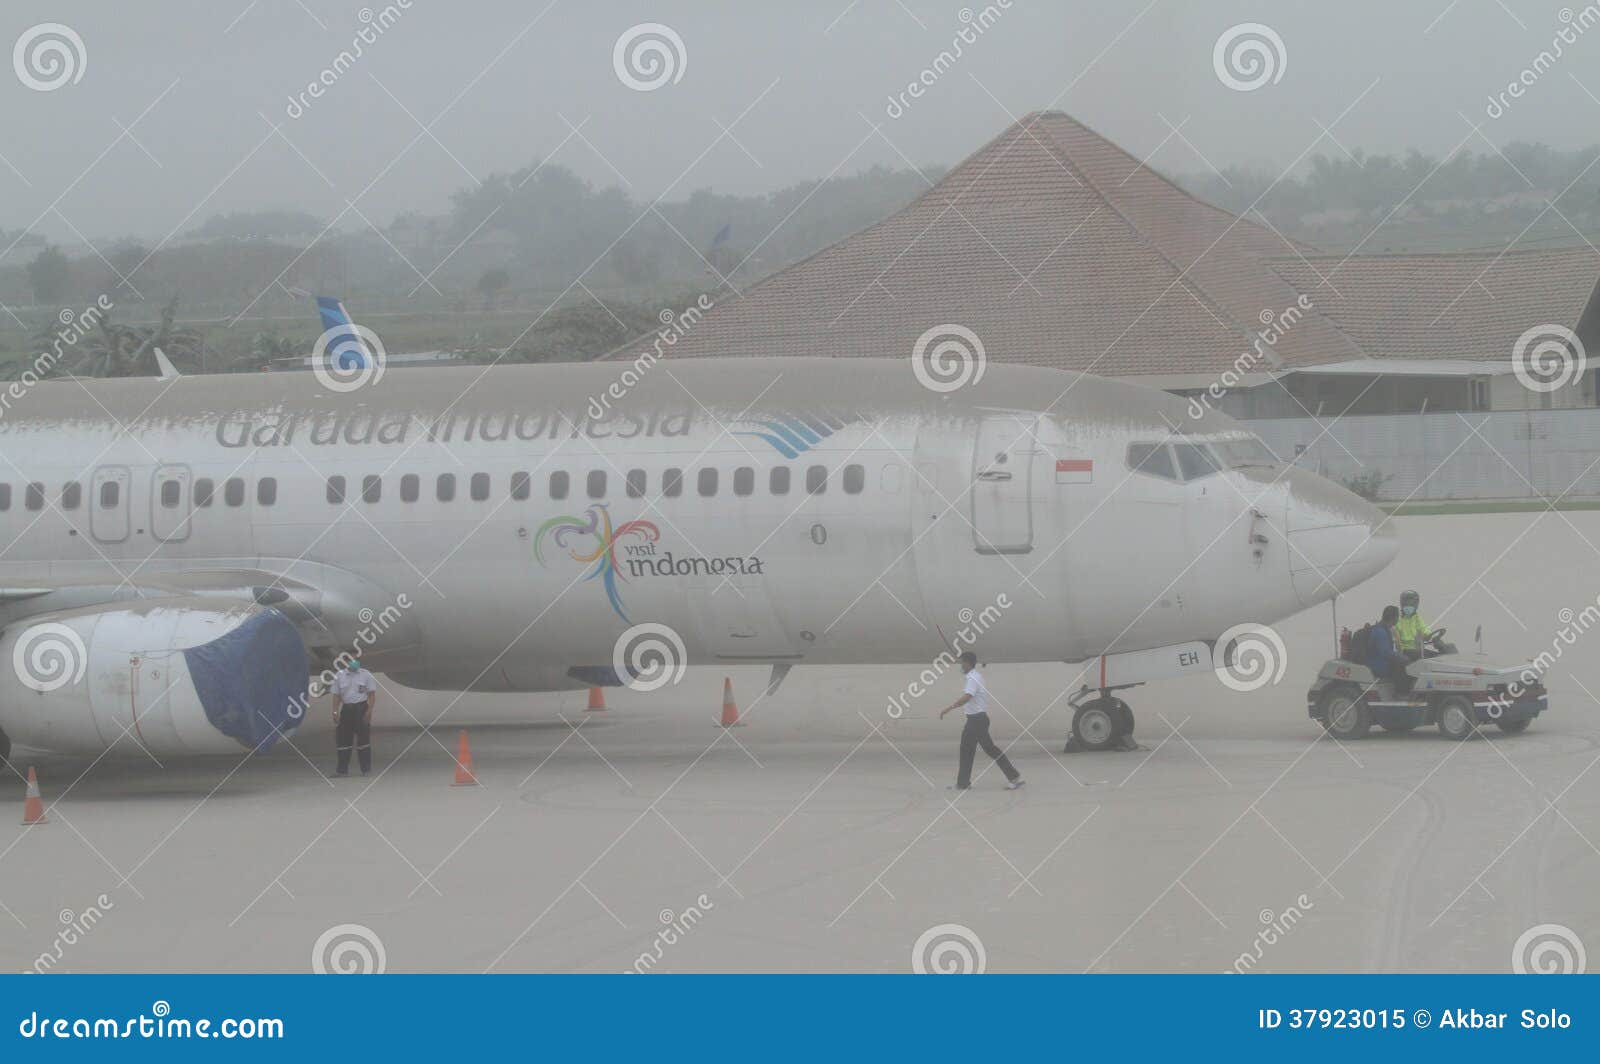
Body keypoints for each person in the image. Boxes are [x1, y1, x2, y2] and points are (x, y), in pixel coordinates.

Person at [939, 652, 1024, 791]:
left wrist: (949, 708)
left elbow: (967, 696)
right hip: (974, 720)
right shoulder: (974, 676)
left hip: (977, 720)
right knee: (967, 749)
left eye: (961, 663)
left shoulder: (973, 678)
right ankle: (963, 783)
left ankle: (1014, 777)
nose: (960, 666)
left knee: (990, 749)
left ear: (967, 663)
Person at [331, 658, 377, 776]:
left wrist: (369, 711)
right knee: (343, 741)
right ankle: (342, 771)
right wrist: (335, 711)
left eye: (356, 660)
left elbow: (371, 695)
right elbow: (336, 695)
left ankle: (366, 770)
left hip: (361, 709)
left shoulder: (366, 675)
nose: (354, 662)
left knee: (363, 741)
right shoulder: (339, 676)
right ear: (346, 662)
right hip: (346, 709)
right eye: (351, 660)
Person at [1365, 606, 1410, 690]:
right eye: (1397, 616)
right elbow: (1386, 653)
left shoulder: (1384, 629)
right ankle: (1401, 692)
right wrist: (1402, 658)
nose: (1398, 619)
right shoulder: (1380, 632)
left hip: (1378, 661)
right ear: (1393, 617)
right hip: (1378, 665)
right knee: (1405, 667)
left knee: (1404, 662)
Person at [1394, 589, 1433, 657]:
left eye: (1412, 604)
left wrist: (1427, 634)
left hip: (1417, 649)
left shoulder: (1416, 617)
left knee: (1437, 655)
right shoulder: (1397, 619)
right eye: (1407, 604)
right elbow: (1395, 638)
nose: (1409, 606)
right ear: (1402, 604)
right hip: (1405, 651)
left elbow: (1424, 628)